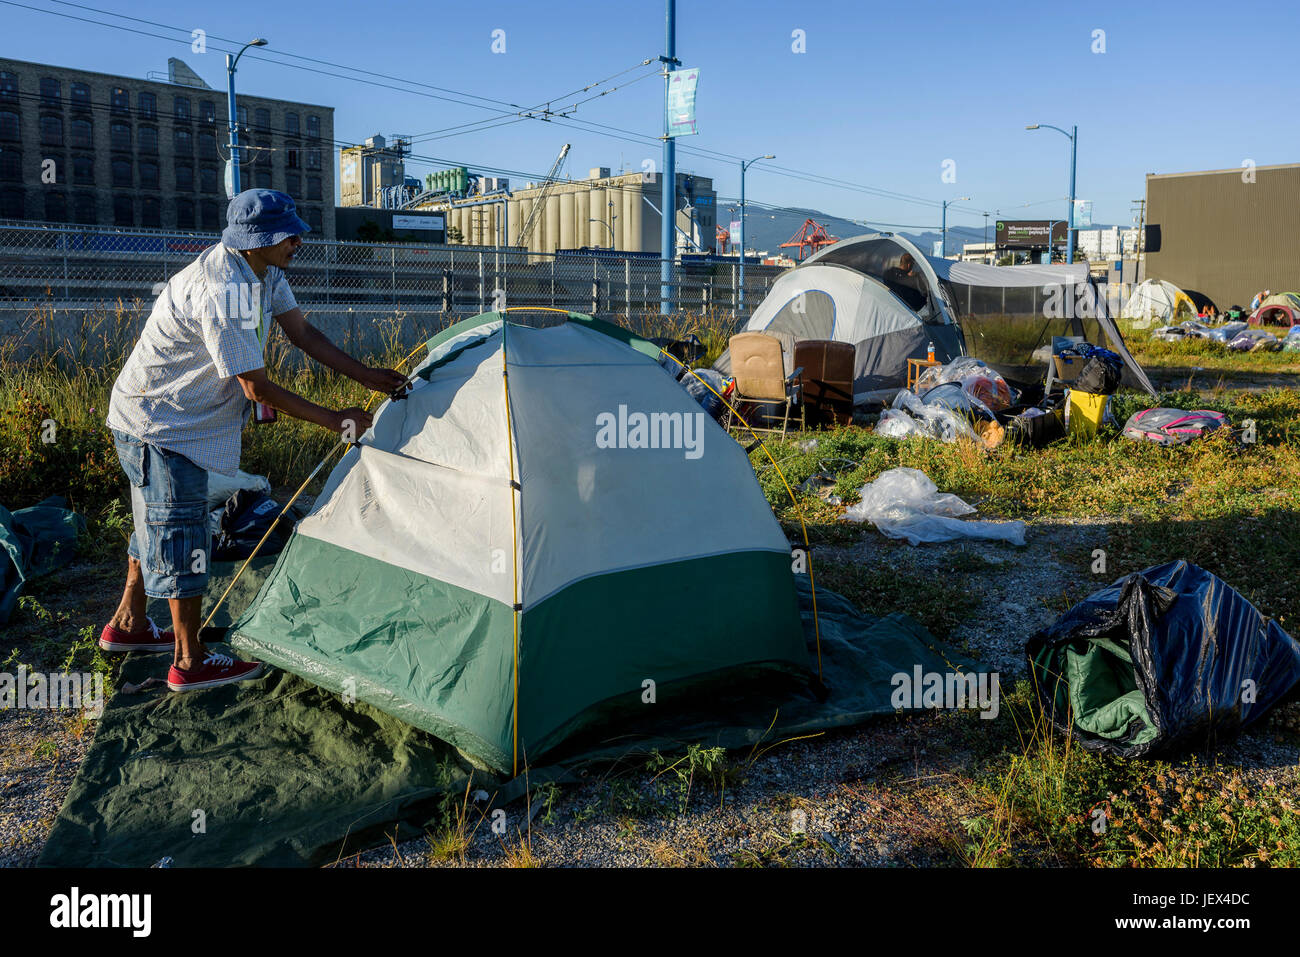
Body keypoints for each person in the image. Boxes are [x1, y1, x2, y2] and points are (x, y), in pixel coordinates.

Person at [100, 189, 408, 692]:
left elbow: (303, 335)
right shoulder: (224, 289)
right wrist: (338, 421)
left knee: (157, 518)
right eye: (286, 233)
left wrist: (367, 375)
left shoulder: (264, 273)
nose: (298, 240)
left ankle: (129, 626)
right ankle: (189, 660)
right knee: (181, 533)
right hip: (159, 424)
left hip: (180, 421)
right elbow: (256, 386)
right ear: (254, 240)